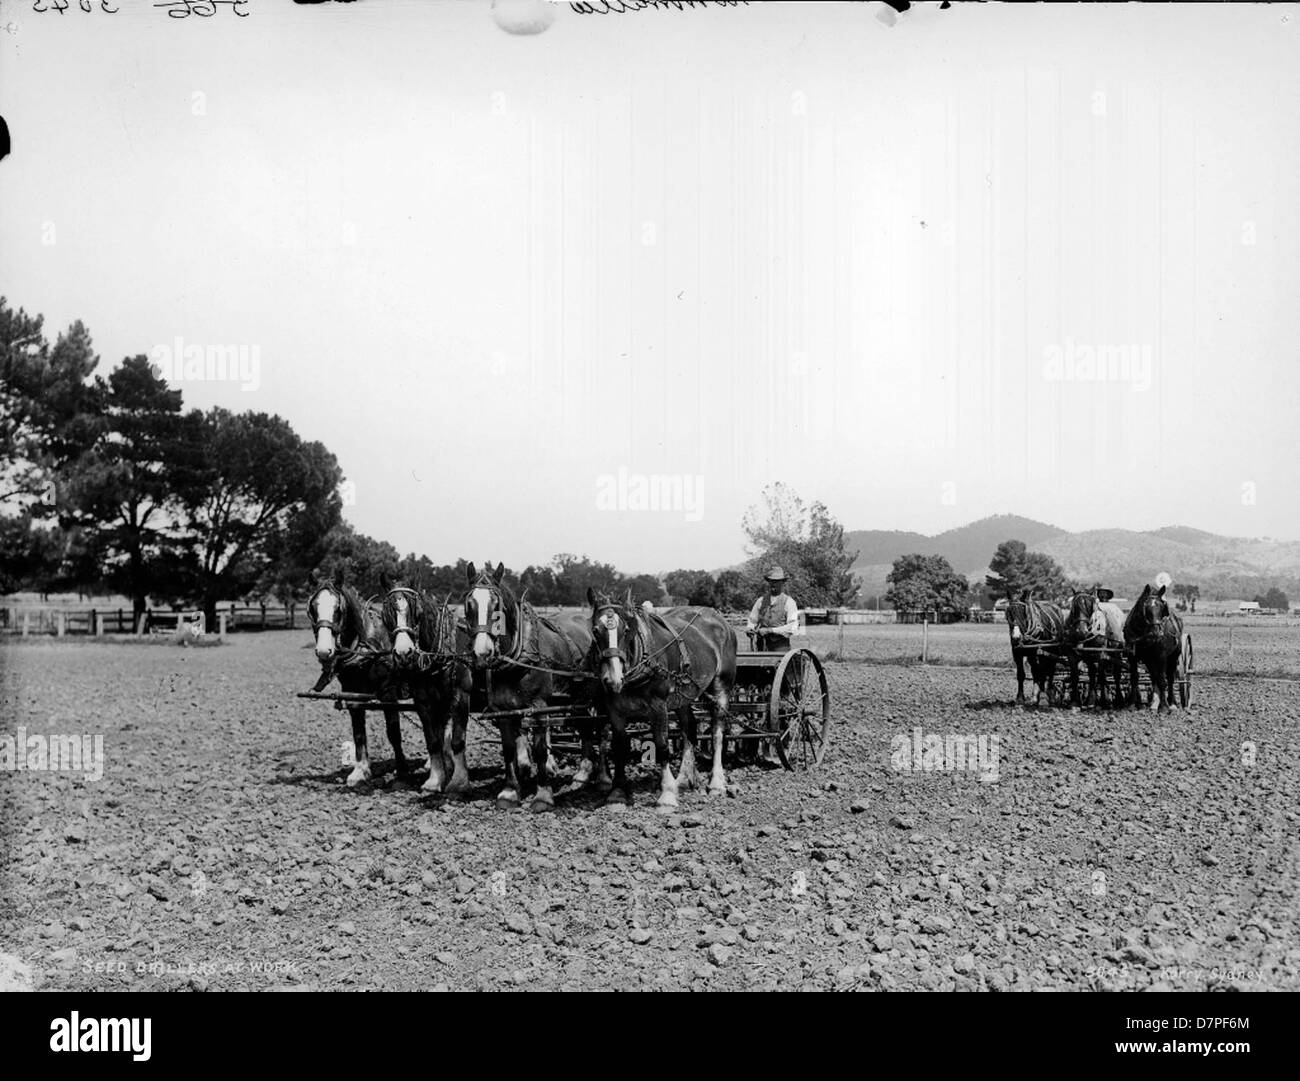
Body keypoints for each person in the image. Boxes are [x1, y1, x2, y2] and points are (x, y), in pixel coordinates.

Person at [746, 567, 800, 652]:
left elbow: (793, 627)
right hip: (761, 647)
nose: (773, 584)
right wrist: (750, 629)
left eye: (776, 581)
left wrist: (771, 630)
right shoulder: (760, 601)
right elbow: (752, 620)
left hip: (780, 648)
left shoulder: (789, 602)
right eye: (771, 581)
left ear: (782, 583)